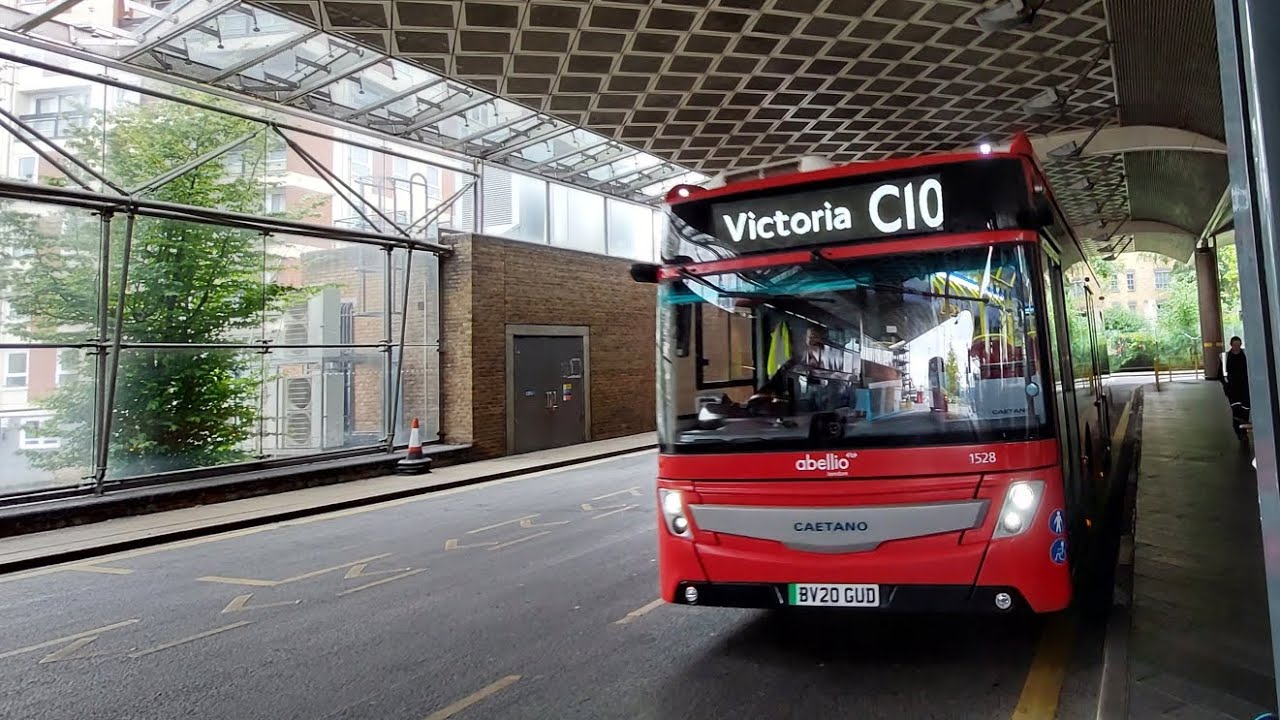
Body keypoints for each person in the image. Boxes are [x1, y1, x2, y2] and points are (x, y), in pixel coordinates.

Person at [1222, 336, 1251, 438]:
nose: (1236, 347)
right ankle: (1239, 432)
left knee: (1246, 410)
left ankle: (1244, 430)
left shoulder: (1245, 355)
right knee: (1236, 411)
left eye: (1238, 345)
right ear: (1231, 345)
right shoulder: (1226, 357)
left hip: (1245, 388)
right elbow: (1221, 375)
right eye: (1235, 345)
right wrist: (1226, 387)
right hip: (1233, 390)